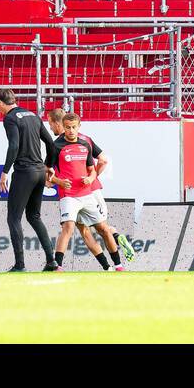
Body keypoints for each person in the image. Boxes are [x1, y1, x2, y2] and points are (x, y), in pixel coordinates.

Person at [46, 108, 135, 268]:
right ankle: (110, 260)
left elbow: (97, 164)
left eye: (51, 124)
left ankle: (114, 248)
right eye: (68, 127)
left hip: (88, 190)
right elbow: (102, 160)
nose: (51, 128)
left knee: (92, 230)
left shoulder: (81, 143)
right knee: (92, 228)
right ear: (64, 126)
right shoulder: (71, 142)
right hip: (81, 191)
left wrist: (91, 178)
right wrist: (59, 181)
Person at [0, 89, 58, 273]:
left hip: (24, 172)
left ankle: (20, 265)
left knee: (14, 217)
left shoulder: (10, 118)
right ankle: (51, 260)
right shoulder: (33, 116)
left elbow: (13, 146)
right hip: (38, 171)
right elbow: (51, 144)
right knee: (34, 216)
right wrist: (48, 166)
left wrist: (5, 171)